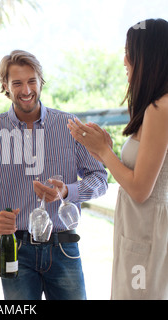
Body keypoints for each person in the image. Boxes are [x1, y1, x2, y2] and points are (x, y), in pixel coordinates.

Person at [0, 50, 108, 300]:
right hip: (15, 249)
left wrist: (67, 191)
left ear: (41, 81)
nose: (26, 89)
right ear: (5, 87)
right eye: (17, 83)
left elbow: (100, 177)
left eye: (32, 81)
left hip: (64, 246)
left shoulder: (69, 126)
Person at [68, 18, 168, 300]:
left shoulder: (160, 108)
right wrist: (105, 149)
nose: (124, 59)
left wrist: (104, 151)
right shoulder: (156, 105)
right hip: (141, 227)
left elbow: (139, 189)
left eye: (129, 51)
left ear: (147, 56)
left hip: (146, 228)